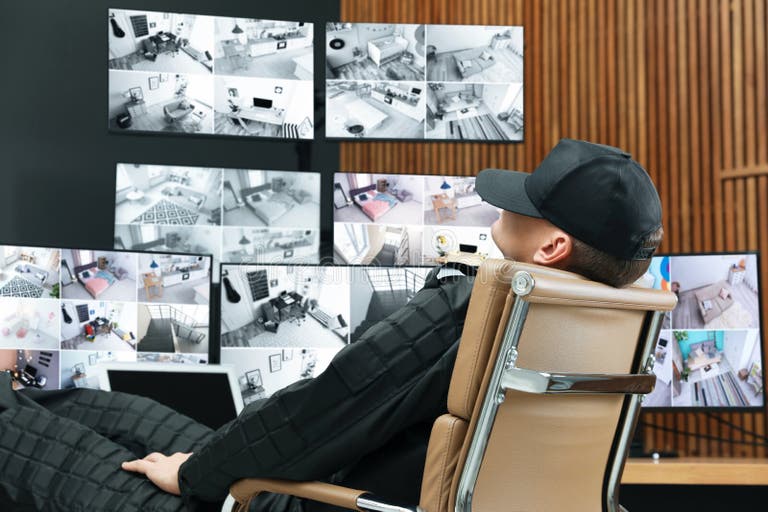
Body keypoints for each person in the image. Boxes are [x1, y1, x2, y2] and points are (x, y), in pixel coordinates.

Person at [0, 139, 663, 511]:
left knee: (18, 437)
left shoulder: (476, 307)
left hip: (308, 501)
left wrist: (197, 476)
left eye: (525, 206)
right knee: (118, 410)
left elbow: (317, 415)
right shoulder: (596, 324)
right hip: (339, 486)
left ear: (552, 247)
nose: (503, 207)